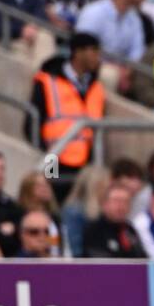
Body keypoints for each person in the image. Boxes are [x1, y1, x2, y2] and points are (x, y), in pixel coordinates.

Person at [29, 32, 106, 198]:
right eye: (93, 52)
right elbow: (33, 120)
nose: (97, 58)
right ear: (78, 53)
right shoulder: (48, 81)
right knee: (48, 198)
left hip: (85, 161)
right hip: (52, 155)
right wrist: (45, 150)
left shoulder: (96, 87)